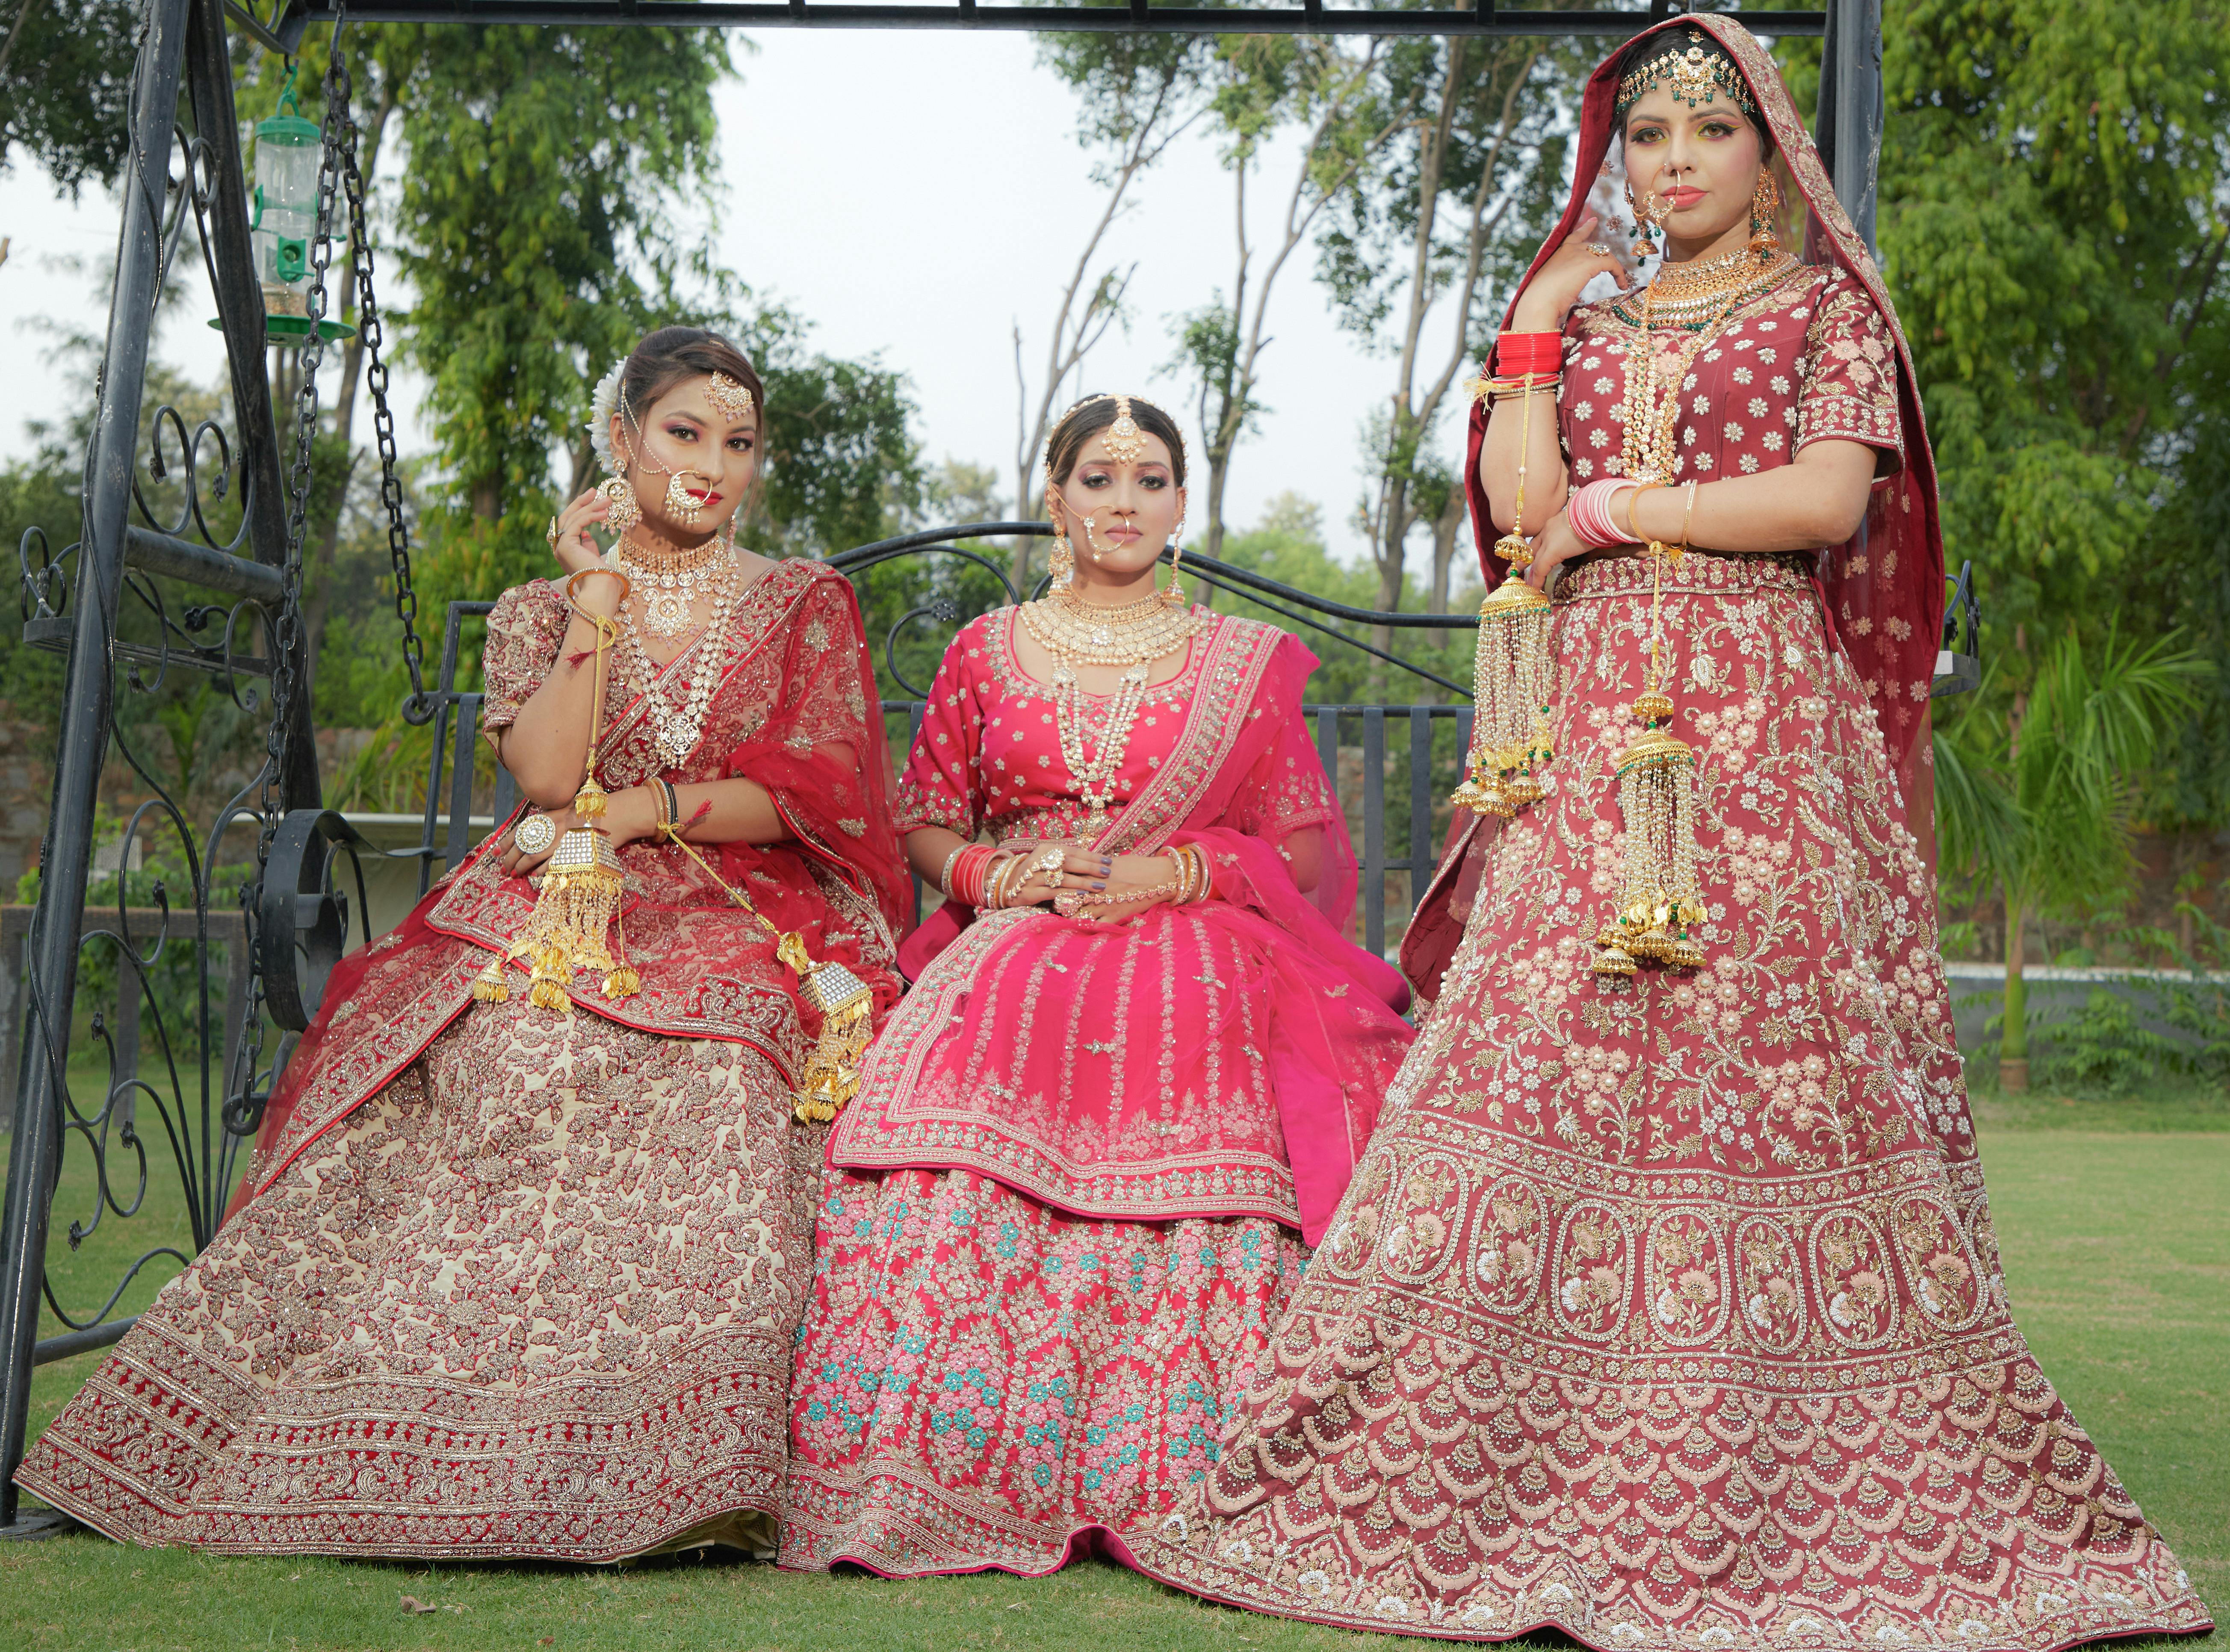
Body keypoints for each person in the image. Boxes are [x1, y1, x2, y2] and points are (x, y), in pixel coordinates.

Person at [1124, 18, 2213, 1650]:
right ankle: (1525, 1454)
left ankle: (1762, 1451)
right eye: (1648, 138)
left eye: (1712, 129)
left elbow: (1824, 505)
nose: (1678, 158)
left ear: (1771, 149)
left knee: (1757, 1058)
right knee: (1540, 1048)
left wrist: (1620, 515)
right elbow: (1515, 509)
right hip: (1588, 718)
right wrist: (1538, 327)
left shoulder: (1829, 310)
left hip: (1758, 729)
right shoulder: (1605, 315)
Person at [15, 328, 910, 1560]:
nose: (711, 465)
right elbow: (547, 776)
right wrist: (597, 595)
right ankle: (355, 1419)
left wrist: (647, 810)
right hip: (558, 893)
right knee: (492, 1049)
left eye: (739, 443)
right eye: (683, 433)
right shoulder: (542, 612)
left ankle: (671, 1464)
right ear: (621, 439)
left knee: (713, 1052)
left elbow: (823, 790)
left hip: (746, 900)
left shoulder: (804, 600)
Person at [780, 393, 1416, 1578]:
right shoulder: (985, 650)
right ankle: (942, 1444)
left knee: (1190, 1024)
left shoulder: (1238, 663)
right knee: (981, 1023)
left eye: (1152, 480)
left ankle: (1180, 1455)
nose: (1125, 503)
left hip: (1195, 937)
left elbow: (1307, 854)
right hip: (1017, 934)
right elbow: (924, 821)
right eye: (1101, 479)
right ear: (1057, 498)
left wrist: (1175, 870)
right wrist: (999, 874)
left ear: (1182, 507)